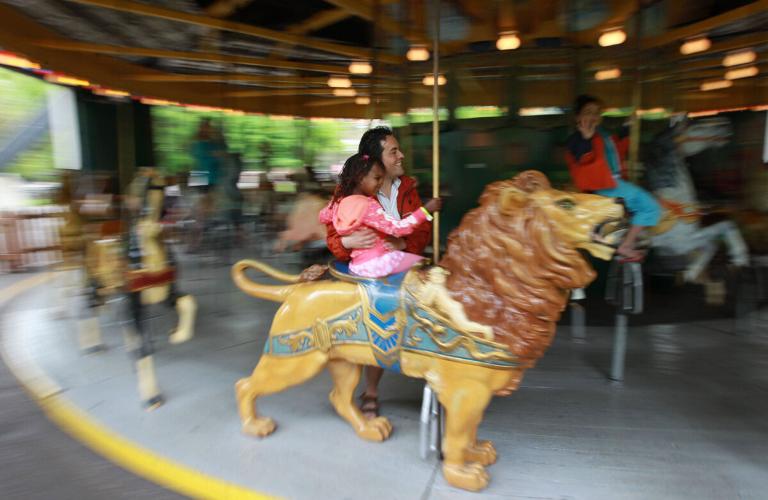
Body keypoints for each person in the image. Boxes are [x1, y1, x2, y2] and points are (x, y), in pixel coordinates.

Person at [325, 126, 432, 419]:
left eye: (399, 150)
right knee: (380, 315)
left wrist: (404, 242)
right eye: (393, 151)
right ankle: (370, 389)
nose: (401, 155)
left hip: (399, 261)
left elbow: (423, 228)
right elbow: (332, 234)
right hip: (367, 267)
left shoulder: (407, 187)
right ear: (374, 160)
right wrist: (346, 242)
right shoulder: (351, 190)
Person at [565, 94, 661, 260]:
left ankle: (628, 236)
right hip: (603, 185)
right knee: (650, 206)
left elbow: (614, 150)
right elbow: (584, 163)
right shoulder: (576, 139)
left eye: (597, 112)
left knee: (640, 205)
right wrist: (586, 141)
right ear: (578, 117)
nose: (593, 116)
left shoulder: (601, 135)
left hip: (612, 182)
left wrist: (625, 128)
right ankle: (627, 245)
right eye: (588, 112)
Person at [319, 153, 440, 277]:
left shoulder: (338, 203)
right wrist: (425, 210)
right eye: (377, 178)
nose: (380, 183)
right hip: (377, 263)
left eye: (382, 178)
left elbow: (323, 216)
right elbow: (399, 228)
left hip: (358, 265)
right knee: (422, 266)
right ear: (360, 178)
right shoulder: (368, 205)